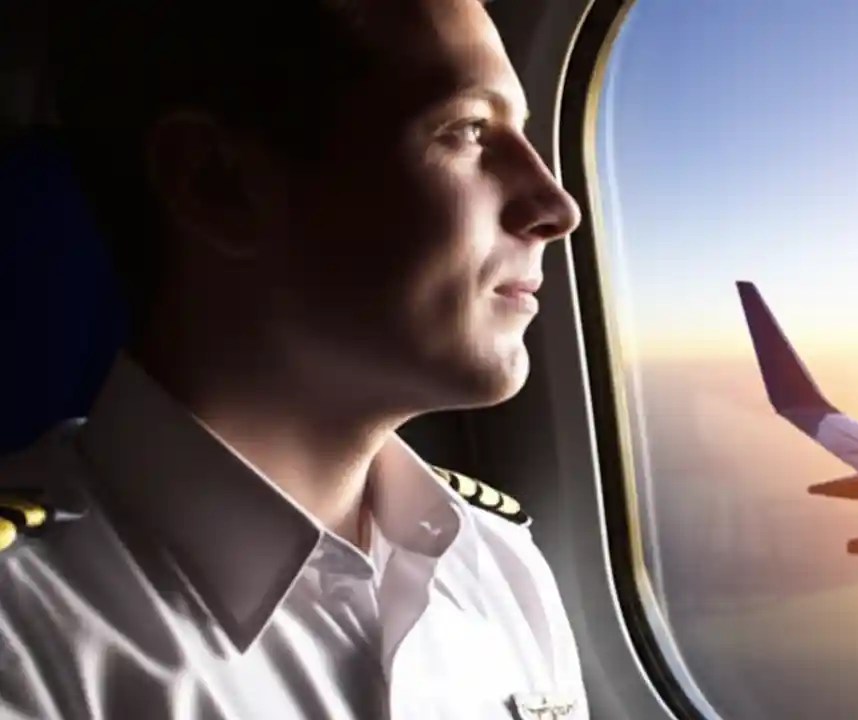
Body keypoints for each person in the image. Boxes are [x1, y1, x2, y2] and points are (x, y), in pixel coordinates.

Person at [0, 0, 586, 717]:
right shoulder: (24, 646)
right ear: (219, 184)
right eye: (467, 129)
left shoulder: (502, 569)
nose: (556, 206)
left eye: (519, 132)